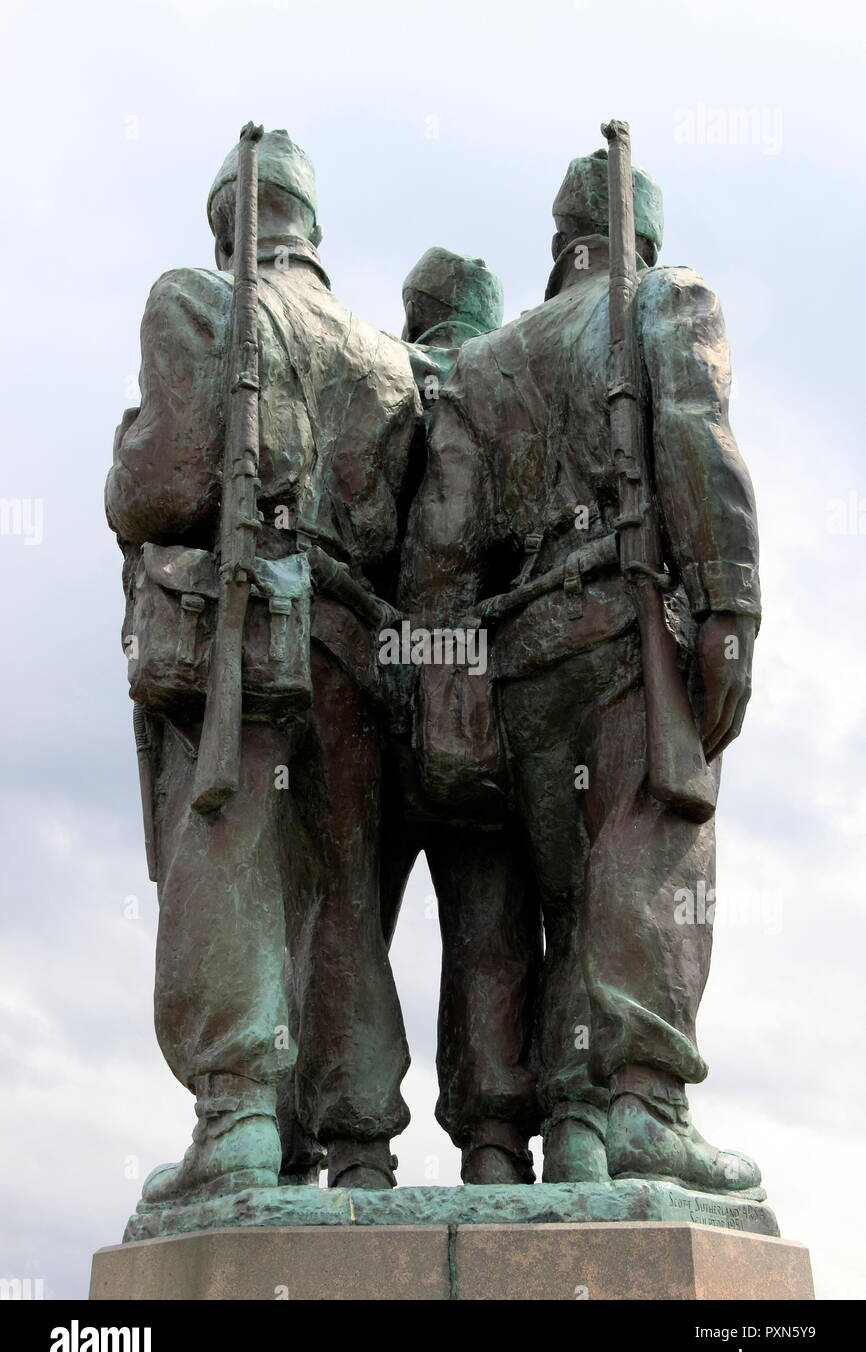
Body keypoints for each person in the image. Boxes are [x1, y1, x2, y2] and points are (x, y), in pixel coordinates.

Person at [401, 147, 763, 1189]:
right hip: (624, 640)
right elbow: (695, 437)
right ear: (642, 233)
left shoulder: (484, 362)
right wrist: (728, 603)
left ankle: (554, 1133)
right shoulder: (667, 299)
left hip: (522, 670)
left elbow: (441, 547)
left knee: (555, 901)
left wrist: (448, 691)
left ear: (559, 242)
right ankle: (642, 1103)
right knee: (649, 859)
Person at [106, 129, 424, 1198]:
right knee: (343, 896)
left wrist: (120, 466)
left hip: (241, 637)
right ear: (312, 228)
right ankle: (362, 1146)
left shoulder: (196, 299)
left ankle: (240, 1118)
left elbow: (161, 482)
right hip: (354, 652)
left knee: (226, 869)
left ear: (226, 221)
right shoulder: (389, 360)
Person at [379, 248, 543, 1183]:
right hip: (488, 702)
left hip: (367, 690)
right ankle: (493, 1140)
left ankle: (344, 1146)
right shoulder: (504, 391)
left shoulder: (375, 376)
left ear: (414, 315)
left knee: (344, 922)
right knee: (494, 924)